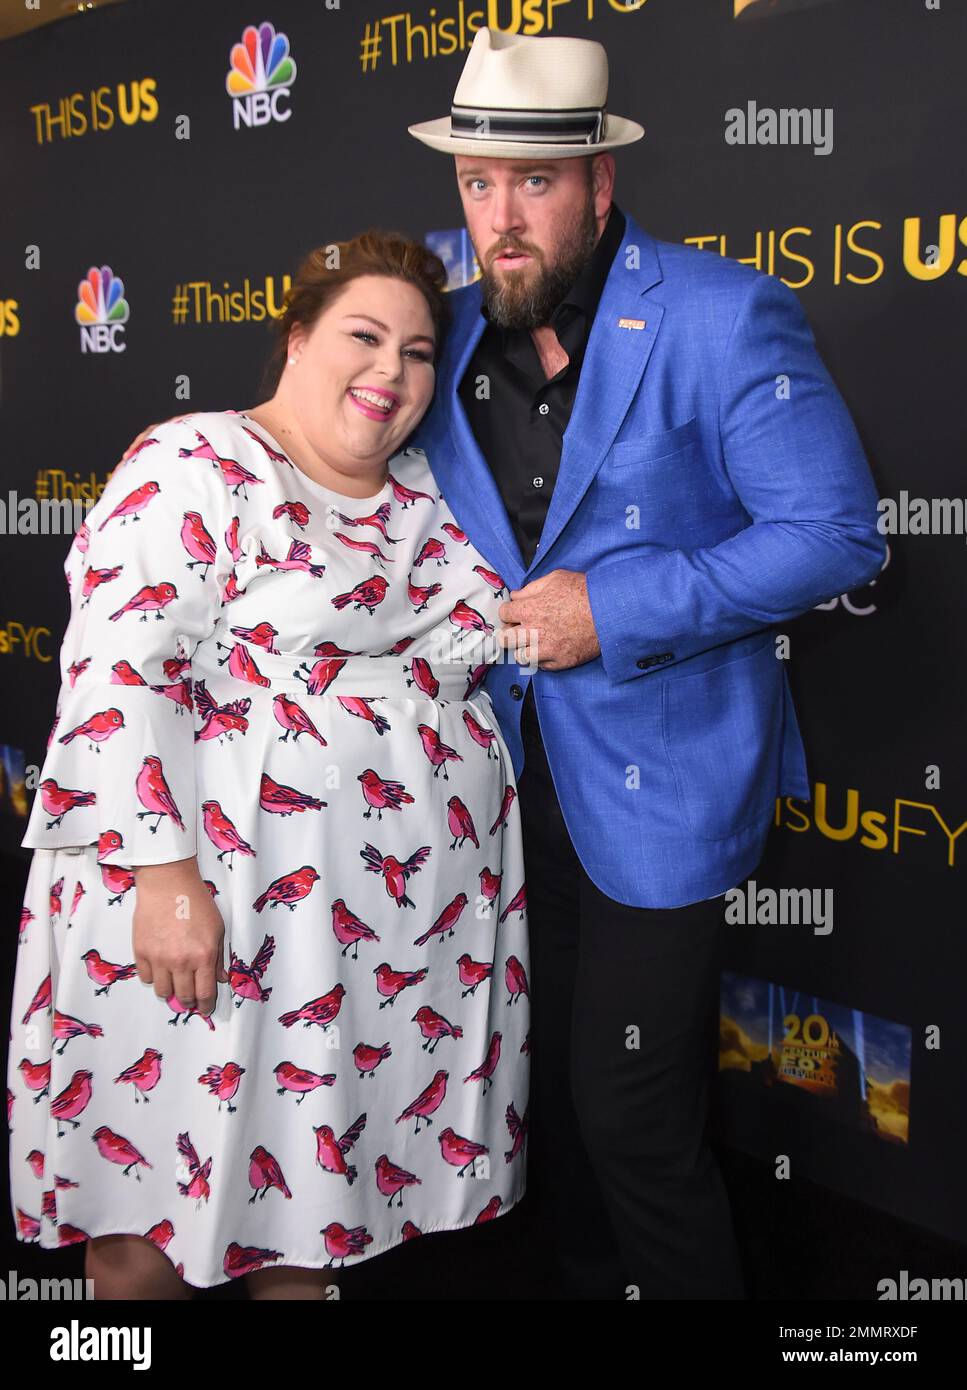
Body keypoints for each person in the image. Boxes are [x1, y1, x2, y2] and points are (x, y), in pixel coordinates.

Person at [405, 27, 885, 1298]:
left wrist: (612, 611)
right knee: (548, 1108)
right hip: (501, 793)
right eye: (475, 183)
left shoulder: (722, 315)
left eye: (535, 181)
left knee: (630, 1116)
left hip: (661, 787)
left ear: (601, 181)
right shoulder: (438, 339)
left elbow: (837, 534)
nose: (501, 217)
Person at [7, 231, 531, 1299]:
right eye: (365, 336)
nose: (392, 370)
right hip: (204, 899)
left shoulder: (434, 499)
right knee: (147, 1202)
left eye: (420, 351)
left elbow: (499, 641)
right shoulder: (196, 462)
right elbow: (115, 674)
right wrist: (162, 879)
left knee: (309, 1215)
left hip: (376, 933)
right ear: (296, 339)